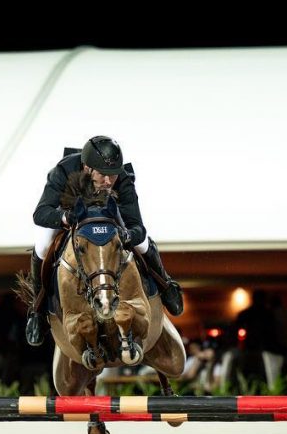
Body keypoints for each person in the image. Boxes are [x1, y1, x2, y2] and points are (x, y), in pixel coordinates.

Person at [25, 135, 183, 346]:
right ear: (87, 168)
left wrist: (128, 235)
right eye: (103, 175)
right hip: (72, 215)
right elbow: (40, 213)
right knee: (43, 246)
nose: (108, 181)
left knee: (143, 243)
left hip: (109, 215)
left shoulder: (123, 179)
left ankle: (166, 284)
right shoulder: (64, 170)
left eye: (113, 176)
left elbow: (137, 225)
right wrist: (64, 217)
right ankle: (37, 309)